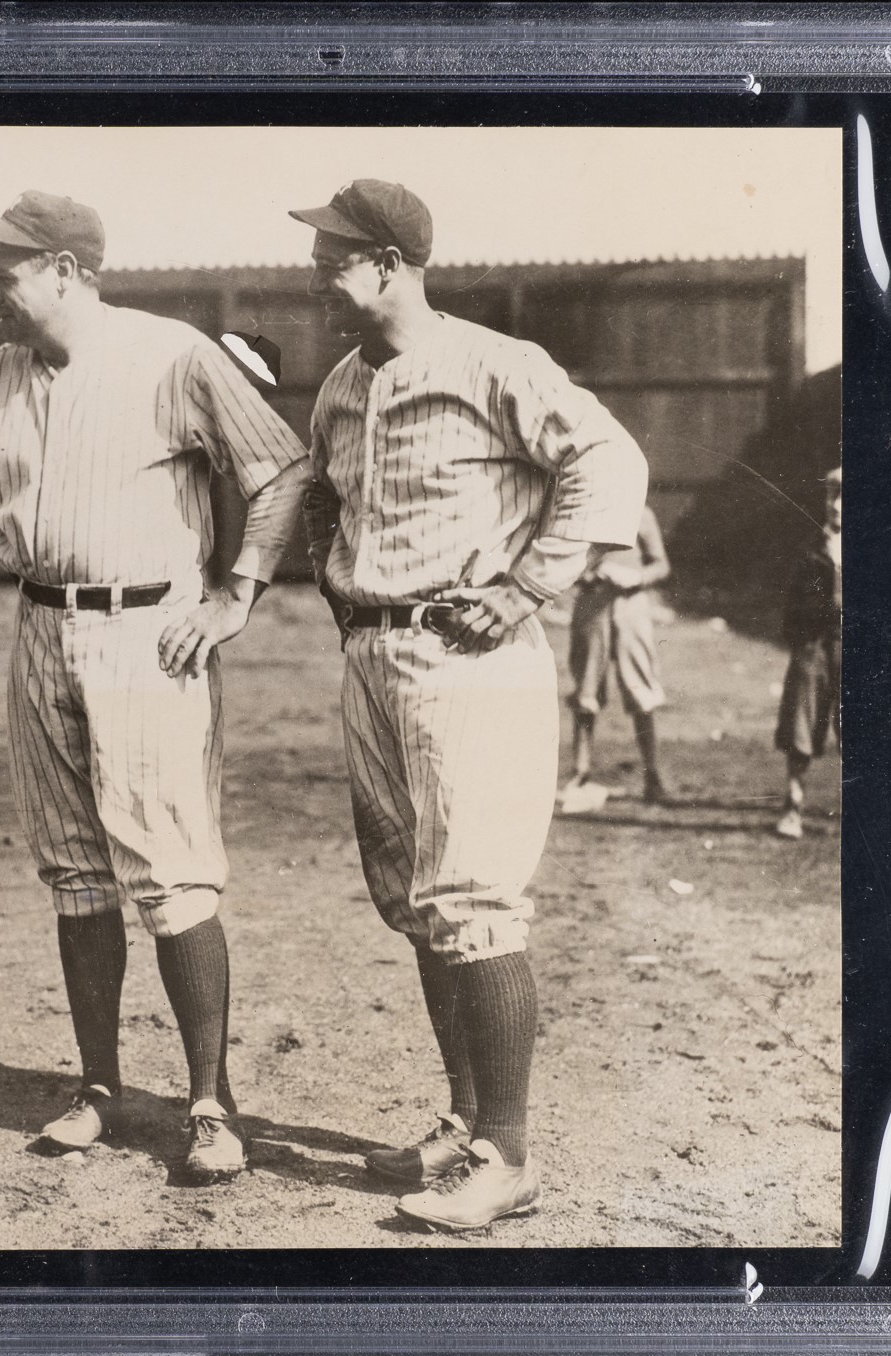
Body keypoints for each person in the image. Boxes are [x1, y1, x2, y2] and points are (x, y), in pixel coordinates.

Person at [0, 191, 311, 1183]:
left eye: (8, 265)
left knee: (170, 876)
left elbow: (280, 467)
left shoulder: (173, 354)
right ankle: (99, 1087)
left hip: (150, 636)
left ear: (69, 271)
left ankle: (211, 1106)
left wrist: (237, 594)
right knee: (76, 875)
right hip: (41, 627)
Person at [293, 179, 648, 1229]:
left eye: (335, 260)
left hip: (467, 657)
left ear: (392, 263)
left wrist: (528, 586)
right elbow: (324, 493)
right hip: (373, 652)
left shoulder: (495, 361)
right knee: (415, 898)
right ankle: (464, 1123)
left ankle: (513, 1157)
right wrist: (331, 575)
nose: (318, 277)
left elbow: (607, 460)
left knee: (475, 900)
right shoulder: (342, 386)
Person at [561, 506, 674, 808]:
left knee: (640, 691)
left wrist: (635, 577)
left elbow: (661, 566)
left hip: (630, 606)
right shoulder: (582, 509)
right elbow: (562, 561)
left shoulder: (642, 513)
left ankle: (653, 774)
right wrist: (587, 574)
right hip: (592, 604)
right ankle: (580, 773)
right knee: (586, 691)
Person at [773, 467, 843, 840]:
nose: (837, 505)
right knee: (800, 724)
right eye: (832, 494)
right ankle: (792, 805)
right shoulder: (811, 547)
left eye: (846, 495)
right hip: (814, 646)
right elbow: (791, 610)